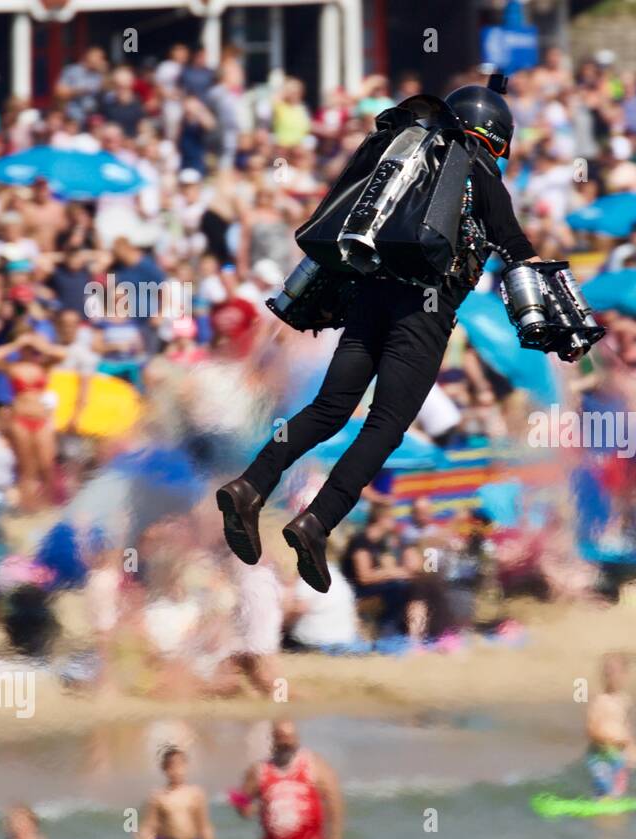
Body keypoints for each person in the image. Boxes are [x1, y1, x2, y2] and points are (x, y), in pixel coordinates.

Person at [217, 83, 549, 593]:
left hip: (371, 297)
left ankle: (250, 485)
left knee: (329, 409)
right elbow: (514, 245)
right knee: (386, 426)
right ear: (497, 137)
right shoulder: (477, 166)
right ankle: (318, 521)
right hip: (423, 314)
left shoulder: (407, 160)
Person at [233, 720, 343, 839]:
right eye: (281, 738)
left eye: (290, 738)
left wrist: (335, 837)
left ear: (297, 739)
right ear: (273, 740)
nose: (286, 743)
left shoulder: (314, 765)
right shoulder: (260, 770)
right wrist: (249, 809)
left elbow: (334, 799)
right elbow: (240, 799)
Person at [138, 746, 215, 839]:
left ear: (186, 766)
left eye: (180, 765)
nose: (176, 771)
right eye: (171, 766)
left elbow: (204, 826)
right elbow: (149, 828)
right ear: (164, 769)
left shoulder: (195, 794)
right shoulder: (158, 797)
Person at [585, 653, 636, 798]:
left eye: (616, 672)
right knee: (604, 787)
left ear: (625, 675)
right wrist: (608, 739)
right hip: (601, 754)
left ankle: (614, 813)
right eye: (608, 672)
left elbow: (627, 727)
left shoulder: (626, 700)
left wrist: (632, 746)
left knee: (617, 792)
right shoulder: (599, 700)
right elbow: (590, 729)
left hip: (619, 754)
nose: (612, 676)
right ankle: (602, 804)